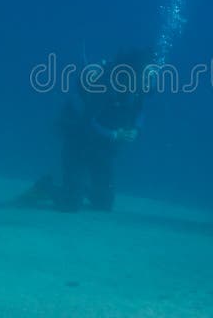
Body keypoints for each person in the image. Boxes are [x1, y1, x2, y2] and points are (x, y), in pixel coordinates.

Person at [16, 48, 149, 212]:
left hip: (103, 147)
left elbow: (140, 110)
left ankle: (76, 188)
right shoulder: (105, 85)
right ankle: (46, 187)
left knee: (103, 204)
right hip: (78, 143)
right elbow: (88, 121)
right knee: (69, 205)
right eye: (145, 72)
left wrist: (136, 129)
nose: (148, 78)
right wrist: (114, 134)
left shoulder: (139, 87)